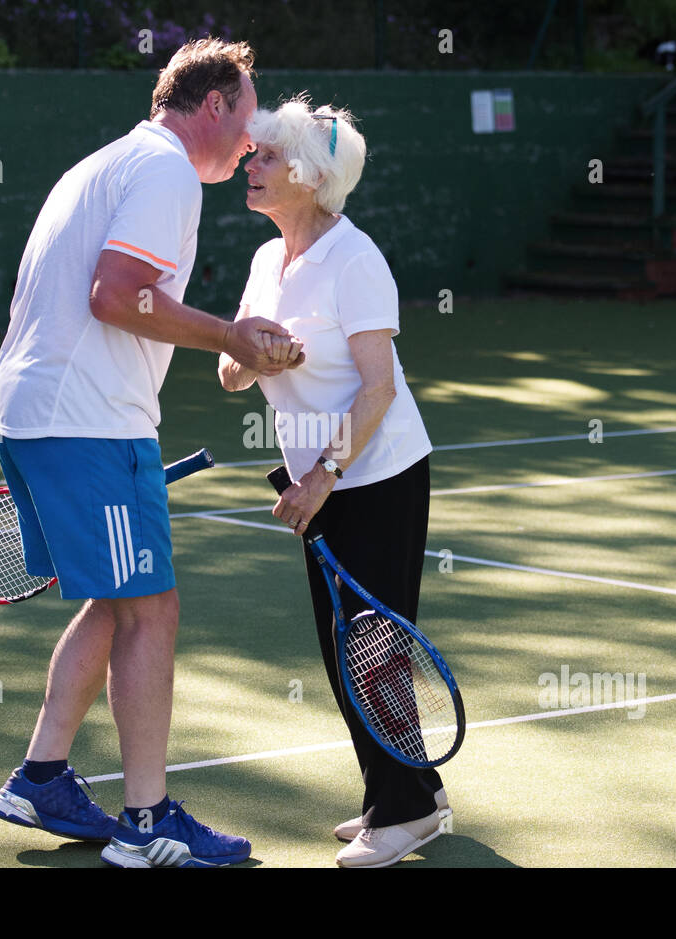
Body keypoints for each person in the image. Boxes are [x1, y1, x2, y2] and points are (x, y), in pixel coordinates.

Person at [0, 38, 303, 869]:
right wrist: (230, 335)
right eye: (248, 117)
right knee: (151, 607)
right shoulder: (163, 172)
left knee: (114, 601)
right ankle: (148, 819)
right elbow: (117, 295)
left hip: (34, 417)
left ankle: (43, 776)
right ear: (213, 107)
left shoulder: (103, 164)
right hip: (89, 424)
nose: (251, 143)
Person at [218, 98, 448, 868]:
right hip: (323, 480)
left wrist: (323, 475)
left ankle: (405, 810)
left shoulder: (357, 259)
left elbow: (377, 388)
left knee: (371, 644)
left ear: (312, 178)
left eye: (266, 159)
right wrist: (260, 359)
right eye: (252, 156)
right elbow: (227, 370)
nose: (250, 166)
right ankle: (411, 793)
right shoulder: (263, 262)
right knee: (343, 640)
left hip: (377, 474)